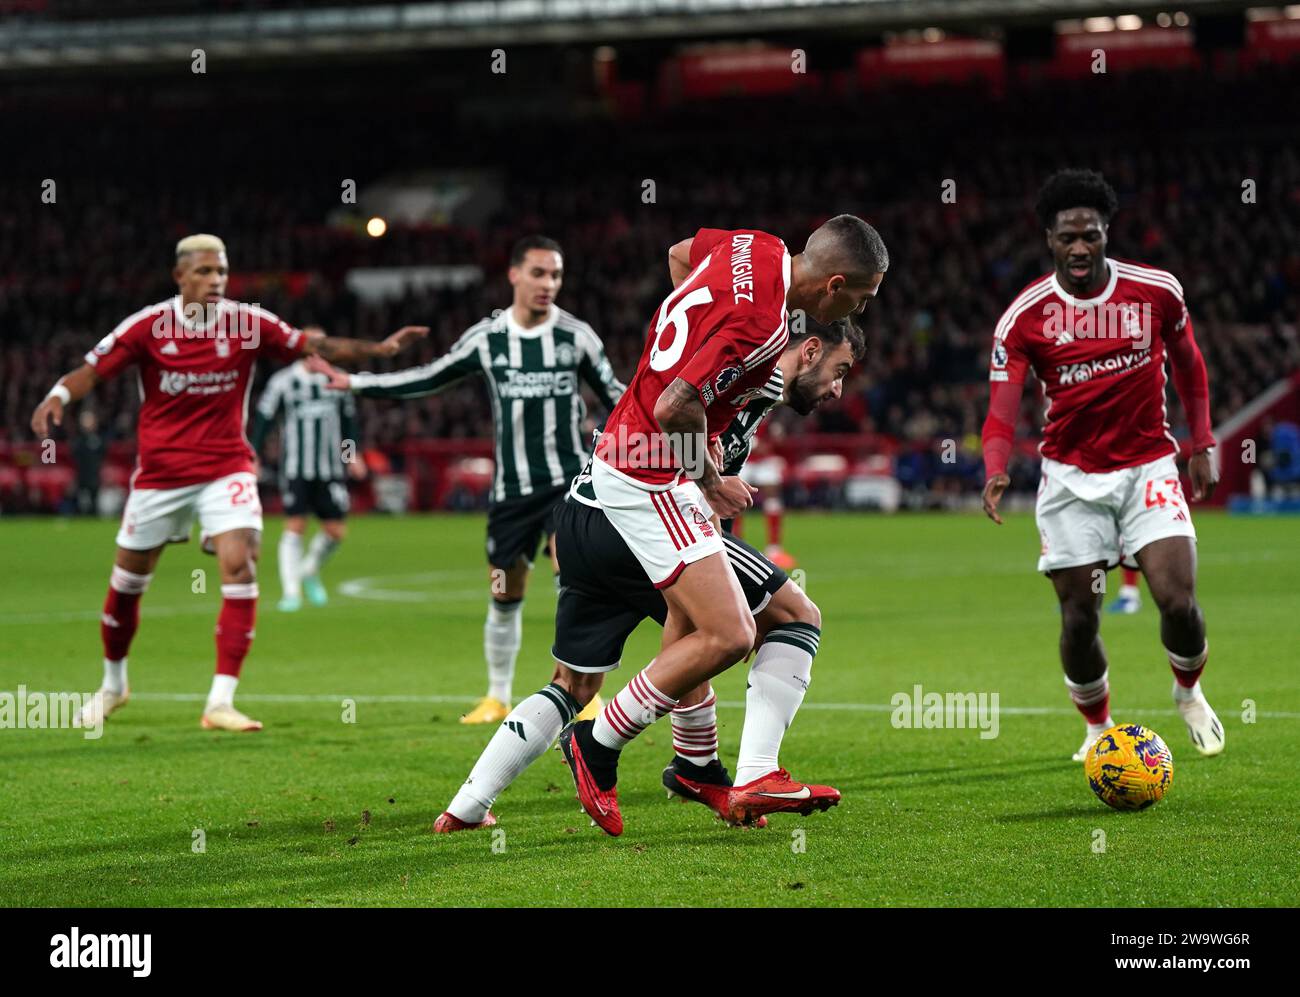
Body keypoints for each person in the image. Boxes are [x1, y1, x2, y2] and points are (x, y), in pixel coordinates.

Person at [434, 316, 863, 835]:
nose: (838, 390)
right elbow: (674, 409)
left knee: (575, 681)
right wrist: (706, 478)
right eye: (840, 371)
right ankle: (740, 770)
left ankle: (468, 805)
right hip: (637, 514)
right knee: (793, 616)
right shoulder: (757, 366)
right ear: (811, 351)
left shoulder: (749, 377)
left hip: (584, 514)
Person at [559, 216, 888, 835]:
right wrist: (710, 478)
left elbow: (678, 254)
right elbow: (674, 405)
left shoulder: (754, 245)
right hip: (646, 475)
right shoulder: (759, 328)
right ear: (835, 286)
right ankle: (597, 744)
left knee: (699, 624)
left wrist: (681, 353)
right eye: (862, 298)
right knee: (735, 635)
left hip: (641, 462)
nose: (860, 306)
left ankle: (700, 767)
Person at [29, 233, 426, 732]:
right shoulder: (148, 326)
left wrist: (380, 349)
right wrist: (56, 397)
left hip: (226, 466)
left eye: (221, 271)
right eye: (203, 272)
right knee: (128, 584)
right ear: (180, 276)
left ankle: (220, 701)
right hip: (161, 475)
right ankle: (113, 684)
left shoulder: (248, 323)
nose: (215, 280)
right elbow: (92, 370)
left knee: (240, 566)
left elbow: (312, 343)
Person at [306, 235, 624, 726]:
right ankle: (497, 696)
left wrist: (673, 415)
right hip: (511, 493)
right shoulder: (487, 339)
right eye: (538, 273)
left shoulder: (576, 337)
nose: (548, 284)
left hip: (571, 486)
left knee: (573, 579)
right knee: (503, 589)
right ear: (514, 275)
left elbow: (618, 398)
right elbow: (429, 377)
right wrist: (359, 382)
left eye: (556, 275)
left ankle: (582, 692)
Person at [980, 169, 1223, 761]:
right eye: (1068, 238)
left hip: (1149, 468)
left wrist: (1204, 442)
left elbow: (1190, 367)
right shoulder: (1025, 318)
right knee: (1079, 616)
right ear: (1050, 240)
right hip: (1070, 480)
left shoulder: (1156, 291)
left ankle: (1188, 691)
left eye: (1090, 235)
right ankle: (1097, 729)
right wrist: (995, 466)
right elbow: (1002, 409)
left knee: (1179, 602)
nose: (1080, 247)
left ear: (1107, 232)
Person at [250, 358, 367, 611]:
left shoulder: (337, 376)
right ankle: (291, 593)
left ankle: (309, 570)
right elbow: (264, 419)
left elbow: (348, 422)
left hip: (330, 469)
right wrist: (255, 456)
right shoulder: (283, 381)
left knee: (336, 531)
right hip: (295, 468)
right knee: (295, 526)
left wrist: (351, 457)